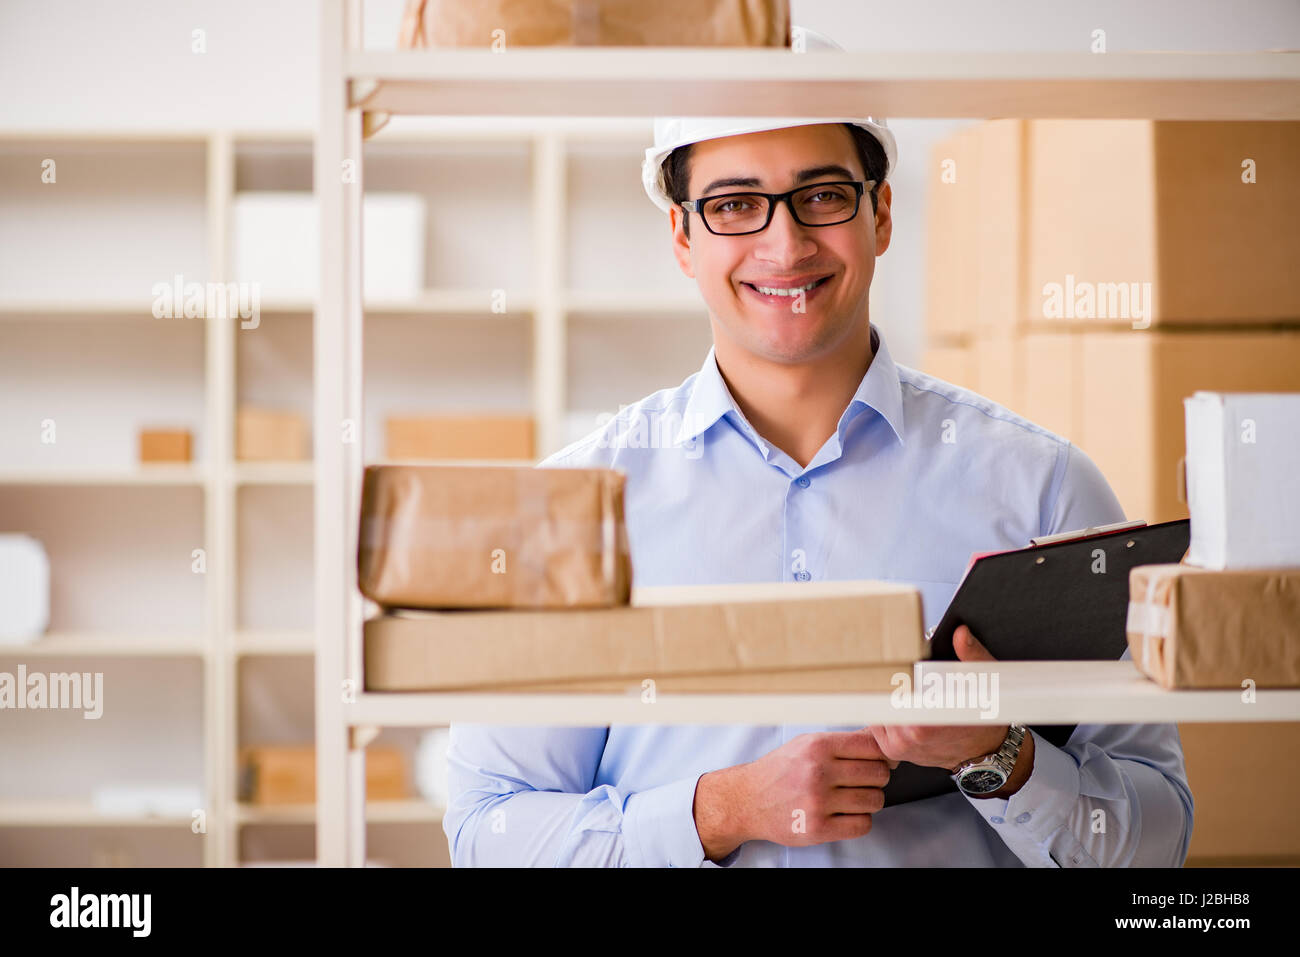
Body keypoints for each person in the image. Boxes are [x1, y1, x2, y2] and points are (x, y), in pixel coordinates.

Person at [441, 34, 1193, 868]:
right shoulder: (572, 508)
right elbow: (489, 832)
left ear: (880, 214)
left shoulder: (1044, 488)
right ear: (684, 238)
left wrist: (1000, 754)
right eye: (734, 205)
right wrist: (718, 810)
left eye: (822, 195)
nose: (784, 243)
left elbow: (1155, 843)